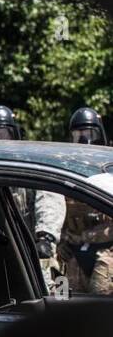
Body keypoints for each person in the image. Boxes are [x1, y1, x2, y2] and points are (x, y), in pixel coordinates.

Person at [0, 105, 64, 282]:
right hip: (1, 255)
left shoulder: (30, 166)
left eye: (0, 136)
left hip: (37, 254)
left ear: (13, 135)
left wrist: (45, 236)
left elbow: (48, 198)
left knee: (46, 298)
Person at [59, 107, 113, 295]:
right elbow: (55, 210)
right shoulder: (63, 169)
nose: (83, 138)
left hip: (105, 254)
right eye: (77, 134)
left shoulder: (109, 167)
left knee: (101, 312)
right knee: (65, 306)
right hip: (71, 255)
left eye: (88, 132)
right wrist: (60, 242)